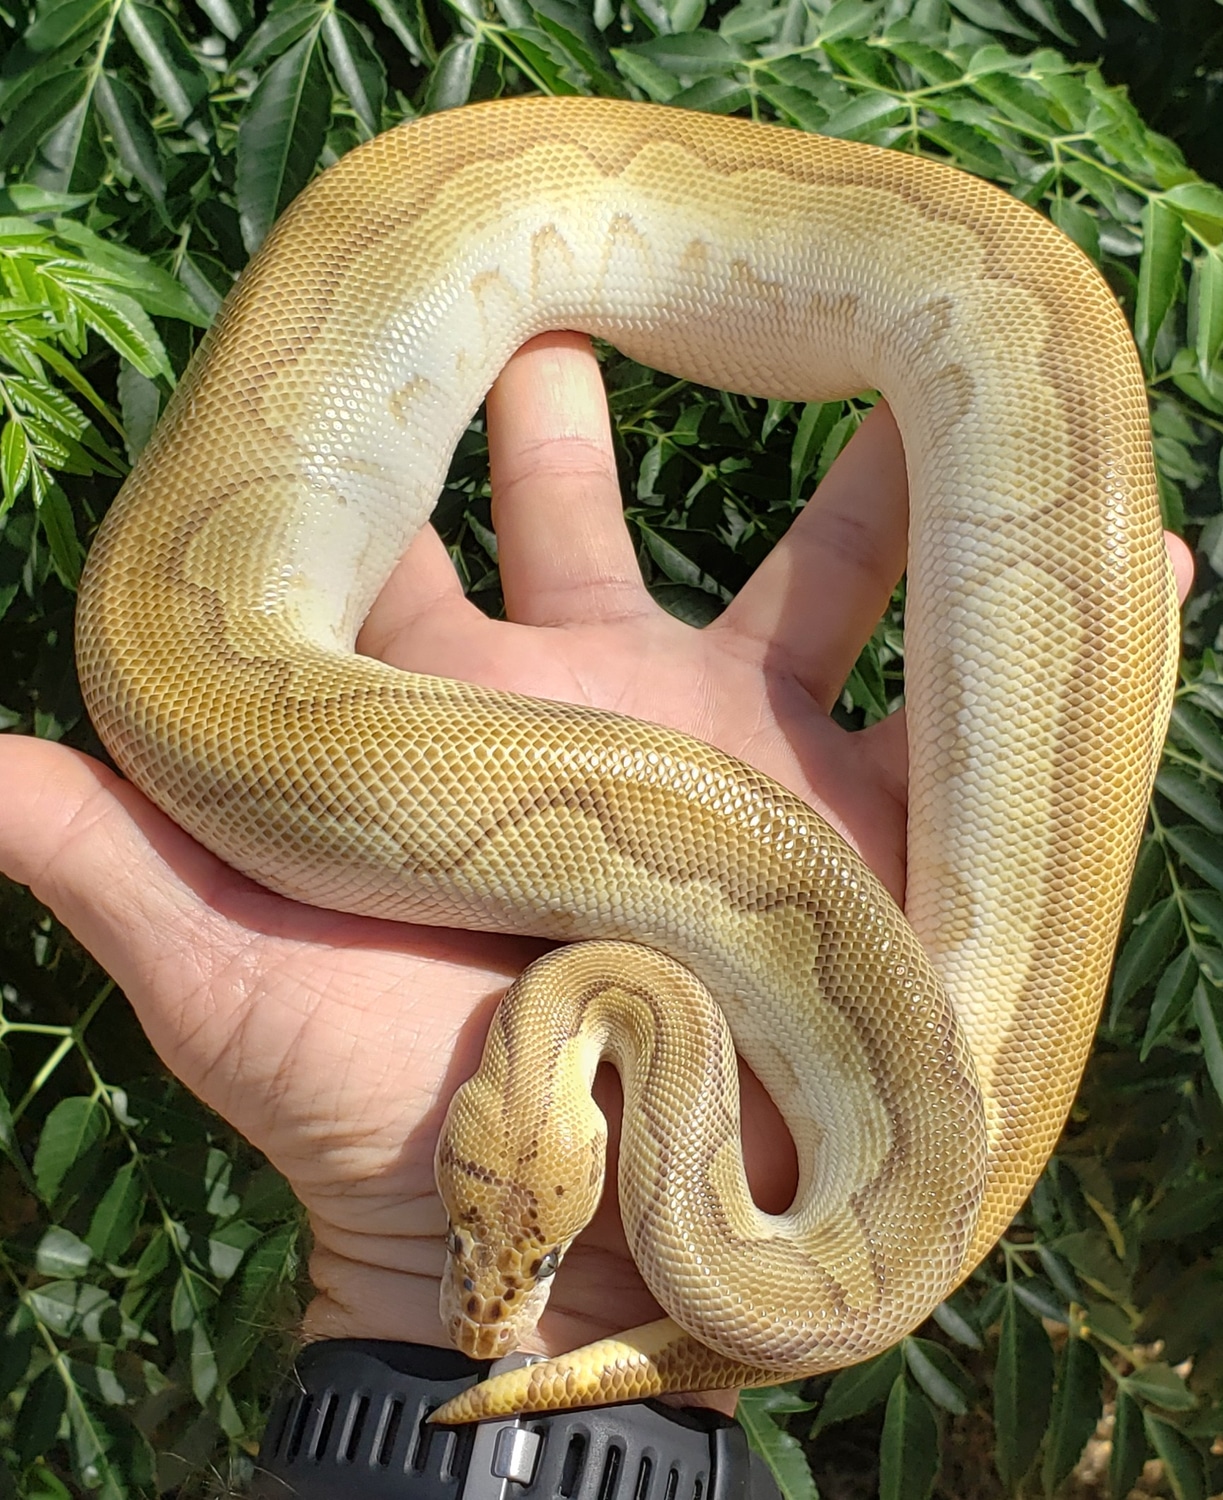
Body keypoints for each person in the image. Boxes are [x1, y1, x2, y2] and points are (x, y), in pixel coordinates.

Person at [0, 331, 1195, 1433]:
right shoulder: (644, 1079)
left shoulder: (621, 1071)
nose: (480, 1313)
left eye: (457, 1243)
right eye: (519, 1258)